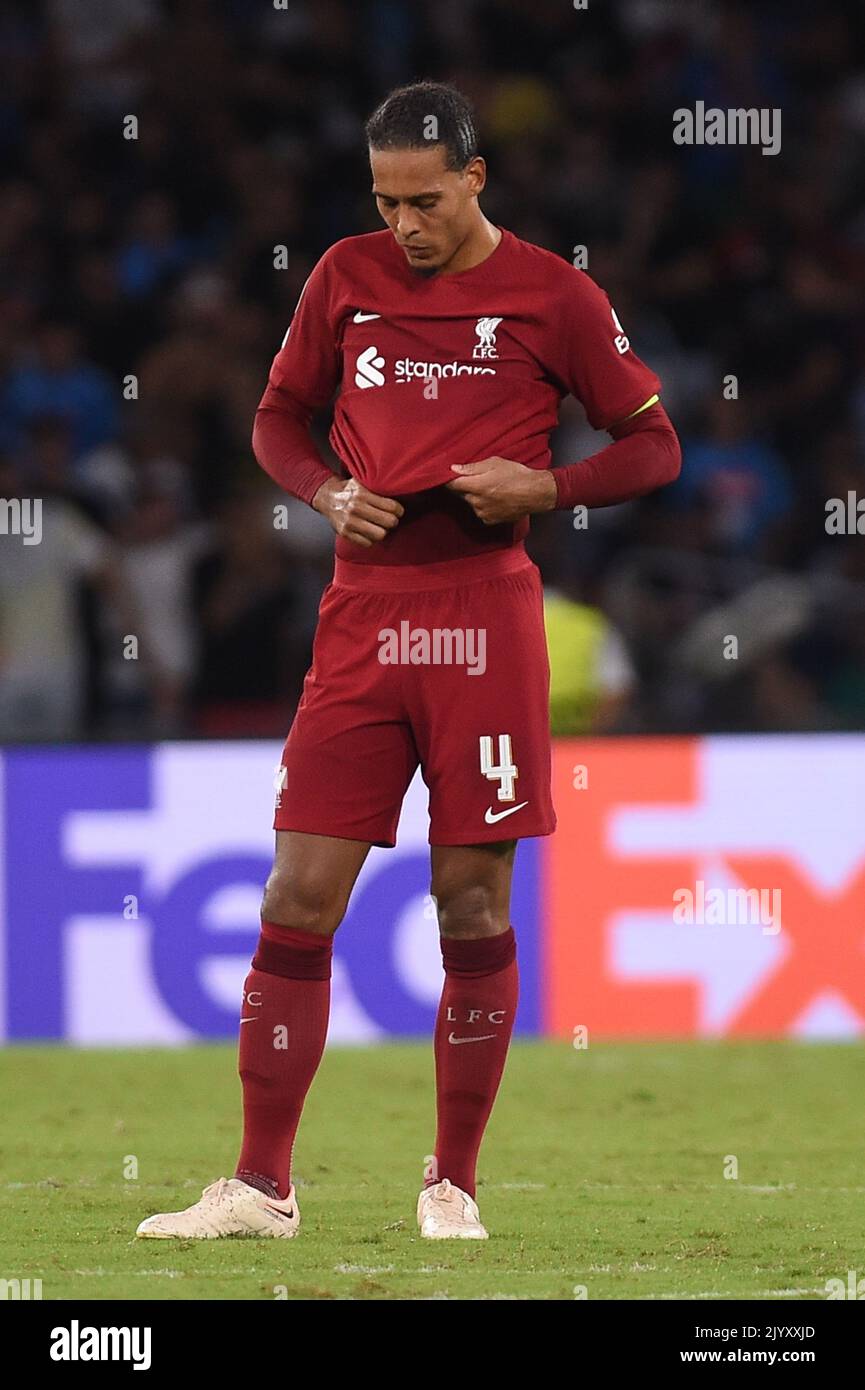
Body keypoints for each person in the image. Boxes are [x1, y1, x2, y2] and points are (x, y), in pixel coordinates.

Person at [137, 80, 680, 1243]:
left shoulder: (554, 293)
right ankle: (260, 1187)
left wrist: (550, 486)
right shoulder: (342, 277)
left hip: (483, 621)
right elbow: (277, 421)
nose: (403, 227)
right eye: (384, 202)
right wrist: (326, 489)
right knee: (294, 893)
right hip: (362, 619)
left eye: (423, 202)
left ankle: (453, 1183)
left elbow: (654, 443)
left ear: (476, 179)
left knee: (469, 903)